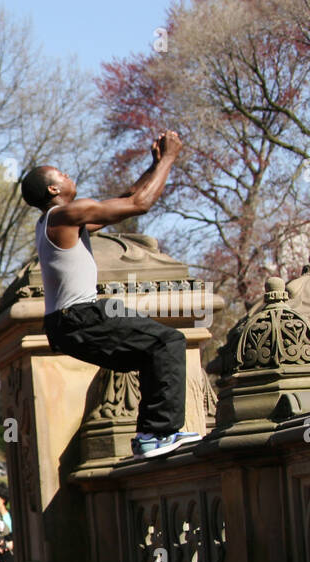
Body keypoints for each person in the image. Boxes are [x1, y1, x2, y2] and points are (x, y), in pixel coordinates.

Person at [21, 131, 200, 460]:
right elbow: (140, 204)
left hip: (67, 325)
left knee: (152, 353)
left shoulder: (61, 222)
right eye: (62, 174)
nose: (69, 175)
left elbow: (128, 197)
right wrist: (172, 157)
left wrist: (155, 164)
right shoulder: (64, 215)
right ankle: (157, 433)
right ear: (52, 189)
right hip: (78, 317)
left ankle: (151, 433)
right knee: (168, 342)